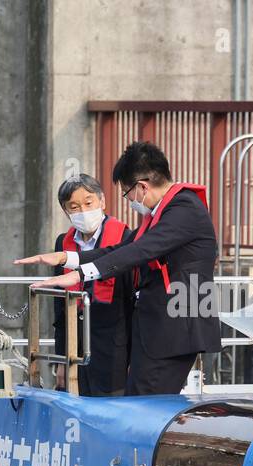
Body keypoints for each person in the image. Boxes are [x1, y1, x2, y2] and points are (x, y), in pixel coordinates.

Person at [17, 142, 221, 395]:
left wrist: (80, 274)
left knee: (145, 405)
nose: (130, 201)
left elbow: (139, 251)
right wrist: (66, 259)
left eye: (127, 193)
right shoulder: (163, 212)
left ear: (142, 186)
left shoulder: (184, 208)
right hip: (160, 326)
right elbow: (120, 249)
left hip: (177, 325)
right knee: (139, 401)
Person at [49, 174, 134, 396]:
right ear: (66, 211)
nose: (83, 211)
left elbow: (132, 303)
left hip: (114, 348)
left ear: (102, 201)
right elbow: (59, 307)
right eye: (74, 207)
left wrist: (134, 359)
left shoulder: (126, 238)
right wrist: (60, 358)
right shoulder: (62, 244)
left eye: (89, 202)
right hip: (74, 348)